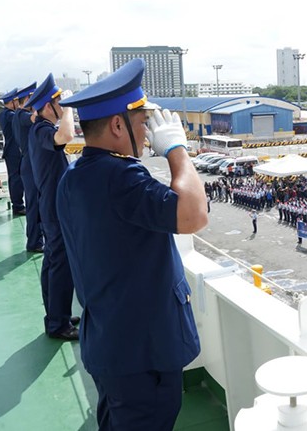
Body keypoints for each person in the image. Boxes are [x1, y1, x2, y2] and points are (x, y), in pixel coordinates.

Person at [57, 58, 208, 430]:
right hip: (143, 355)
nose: (146, 134)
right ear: (116, 124)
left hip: (112, 344)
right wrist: (176, 150)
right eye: (142, 124)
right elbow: (193, 215)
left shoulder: (75, 176)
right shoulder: (120, 177)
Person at [25, 74, 79, 341]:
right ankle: (58, 324)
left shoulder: (39, 129)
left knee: (52, 262)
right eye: (59, 103)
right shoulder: (43, 130)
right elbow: (67, 134)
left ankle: (57, 316)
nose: (63, 108)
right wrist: (69, 107)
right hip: (55, 206)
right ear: (50, 106)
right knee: (61, 264)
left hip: (51, 202)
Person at [12, 82, 44, 252]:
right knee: (34, 205)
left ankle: (37, 239)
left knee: (37, 203)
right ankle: (34, 242)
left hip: (31, 163)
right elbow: (35, 118)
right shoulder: (22, 115)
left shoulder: (19, 114)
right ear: (28, 99)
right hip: (30, 165)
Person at [0, 88, 26, 215]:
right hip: (13, 151)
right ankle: (18, 205)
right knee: (16, 179)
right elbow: (21, 118)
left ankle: (18, 204)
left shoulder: (4, 114)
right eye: (16, 101)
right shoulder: (9, 115)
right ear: (12, 102)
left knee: (15, 178)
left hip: (13, 151)